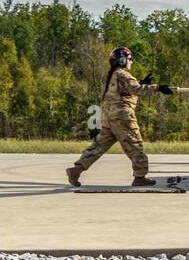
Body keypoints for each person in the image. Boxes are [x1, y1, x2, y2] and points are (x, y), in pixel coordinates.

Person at [67, 47, 174, 187]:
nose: (132, 62)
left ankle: (77, 169)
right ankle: (140, 176)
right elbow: (136, 90)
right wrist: (158, 88)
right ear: (122, 60)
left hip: (109, 116)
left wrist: (142, 83)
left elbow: (125, 91)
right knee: (135, 144)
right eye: (130, 59)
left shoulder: (111, 74)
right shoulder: (123, 74)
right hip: (123, 117)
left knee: (98, 146)